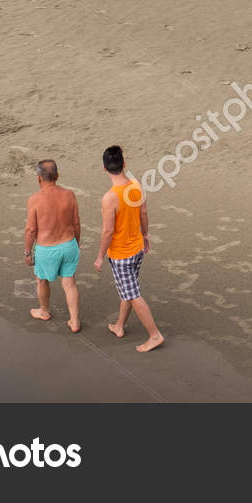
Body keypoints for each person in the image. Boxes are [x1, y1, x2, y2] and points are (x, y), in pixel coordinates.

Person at [93, 145, 163, 352]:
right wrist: (145, 235)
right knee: (128, 289)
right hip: (137, 249)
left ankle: (155, 335)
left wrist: (99, 256)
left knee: (132, 293)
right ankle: (119, 326)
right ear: (124, 164)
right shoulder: (135, 185)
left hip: (121, 254)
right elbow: (144, 213)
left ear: (104, 168)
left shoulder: (109, 198)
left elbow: (107, 231)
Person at [24, 159, 82, 332]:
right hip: (69, 244)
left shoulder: (34, 199)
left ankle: (44, 311)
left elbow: (31, 230)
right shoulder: (69, 194)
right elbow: (77, 223)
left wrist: (27, 252)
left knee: (41, 281)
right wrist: (76, 244)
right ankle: (74, 321)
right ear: (57, 175)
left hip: (47, 249)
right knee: (69, 282)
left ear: (39, 178)